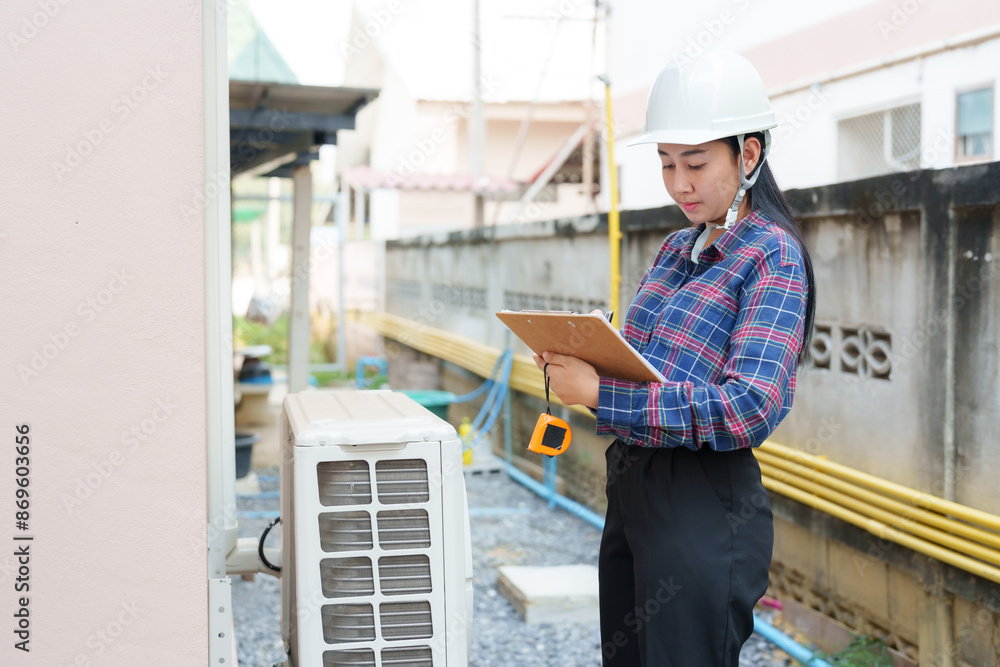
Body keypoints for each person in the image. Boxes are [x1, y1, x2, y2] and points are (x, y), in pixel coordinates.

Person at [532, 48, 817, 666]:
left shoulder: (771, 256)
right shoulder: (673, 248)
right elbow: (652, 368)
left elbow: (748, 407)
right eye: (666, 164)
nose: (679, 183)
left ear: (748, 153)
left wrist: (601, 394)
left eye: (695, 163)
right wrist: (585, 358)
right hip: (632, 487)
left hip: (703, 505)